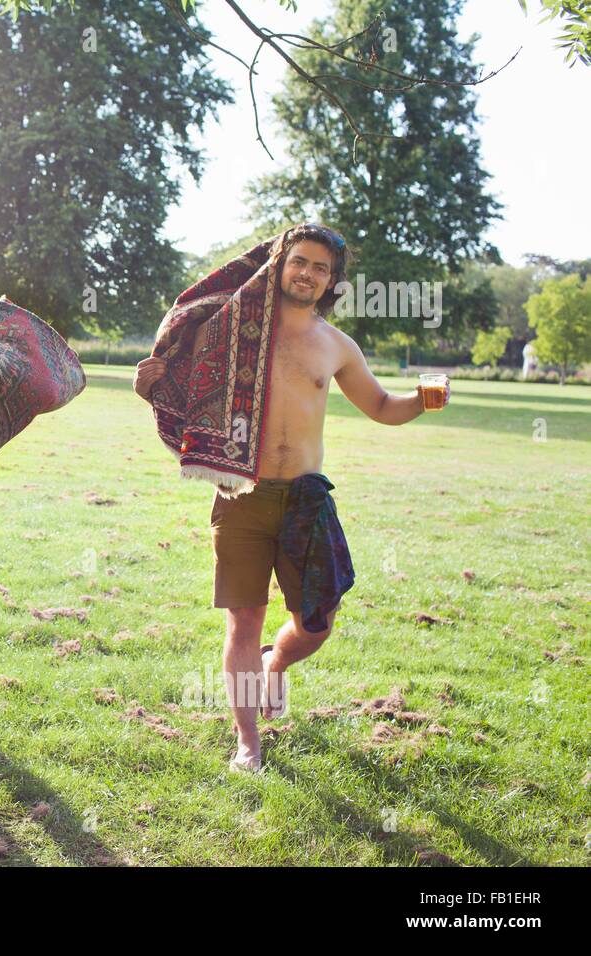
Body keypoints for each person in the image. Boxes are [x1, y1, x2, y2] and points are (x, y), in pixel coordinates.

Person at [133, 223, 451, 772]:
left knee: (316, 621)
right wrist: (151, 386)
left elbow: (380, 406)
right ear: (279, 263)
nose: (307, 273)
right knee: (243, 621)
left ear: (332, 281)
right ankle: (248, 742)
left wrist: (423, 400)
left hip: (305, 498)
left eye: (320, 268)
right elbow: (184, 384)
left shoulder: (335, 345)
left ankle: (274, 668)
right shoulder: (233, 329)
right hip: (241, 496)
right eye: (299, 261)